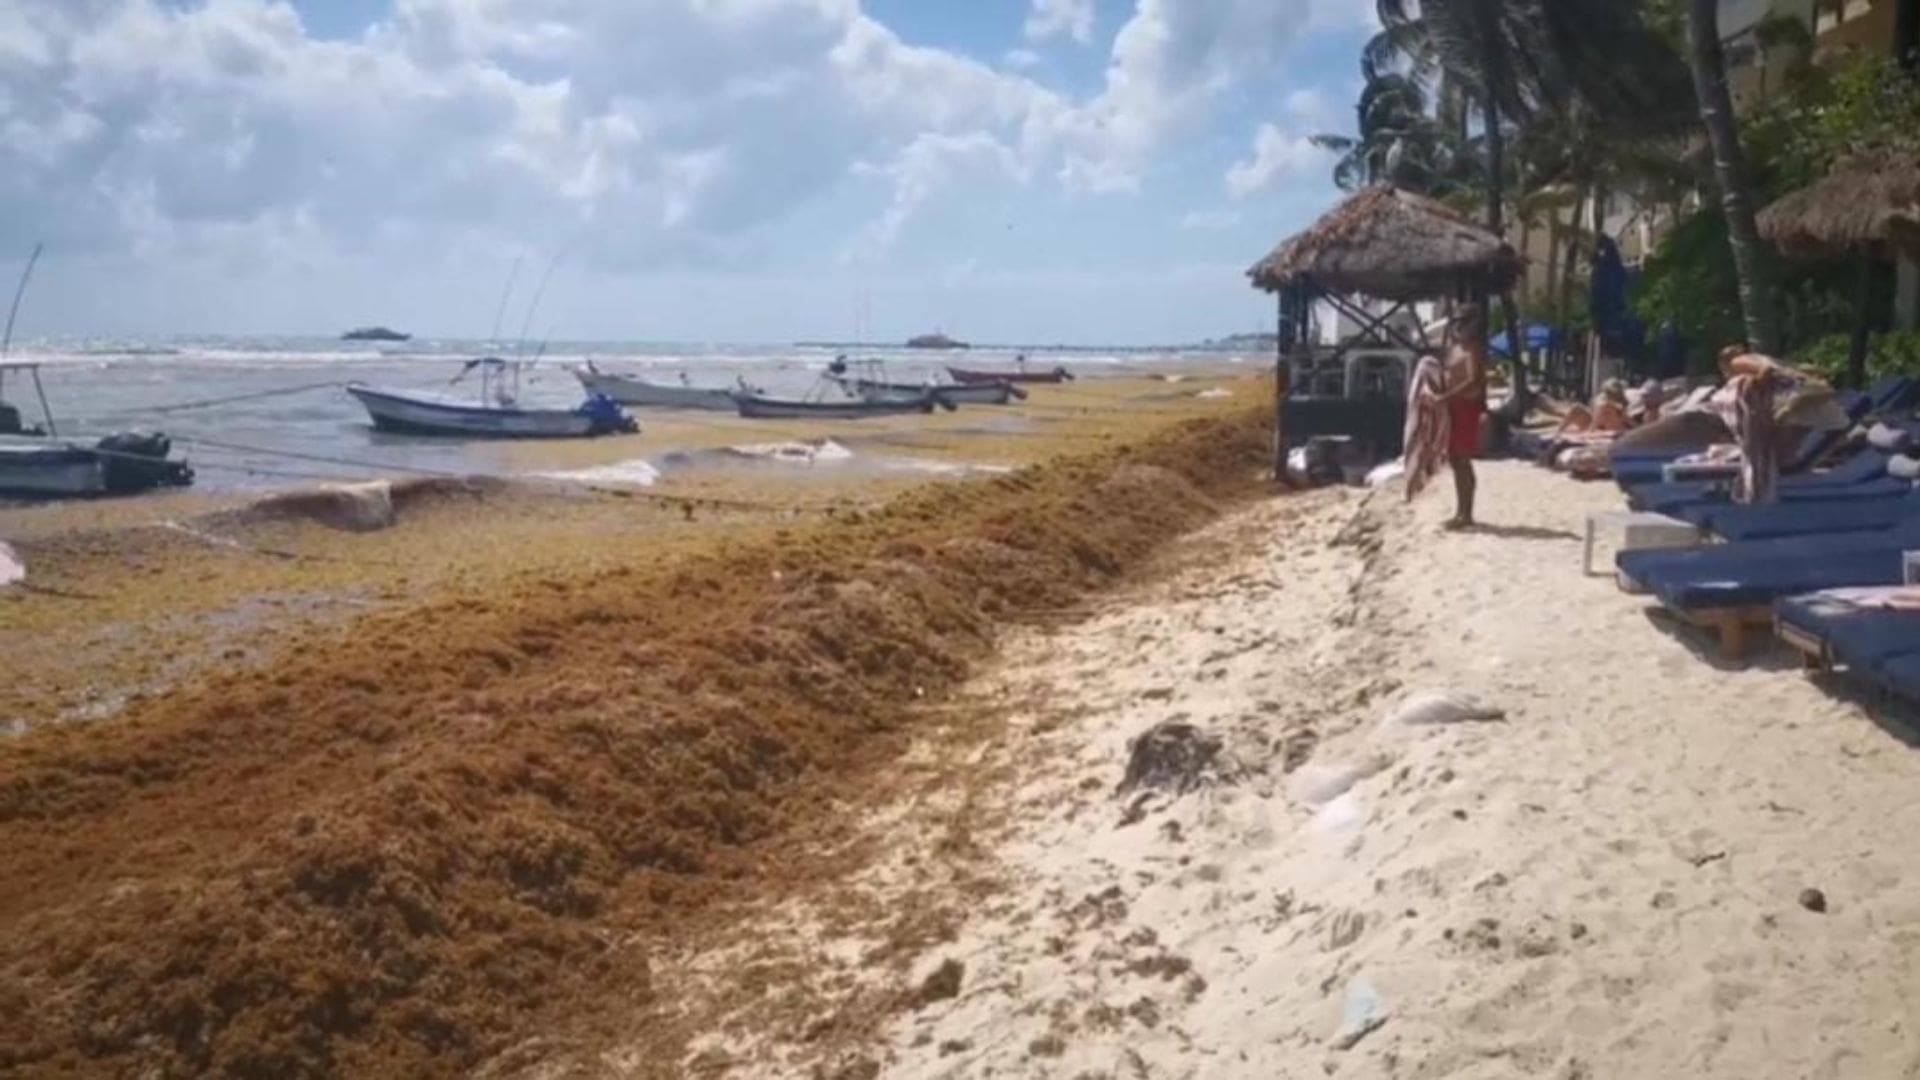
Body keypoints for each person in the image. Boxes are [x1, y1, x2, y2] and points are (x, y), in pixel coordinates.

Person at [1428, 303, 1488, 528]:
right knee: (1455, 459)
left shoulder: (1472, 349)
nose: (1458, 326)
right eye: (1456, 322)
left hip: (1465, 407)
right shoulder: (1455, 348)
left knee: (1462, 459)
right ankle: (1460, 511)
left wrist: (1447, 396)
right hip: (1453, 407)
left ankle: (1467, 513)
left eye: (1463, 322)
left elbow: (1474, 380)